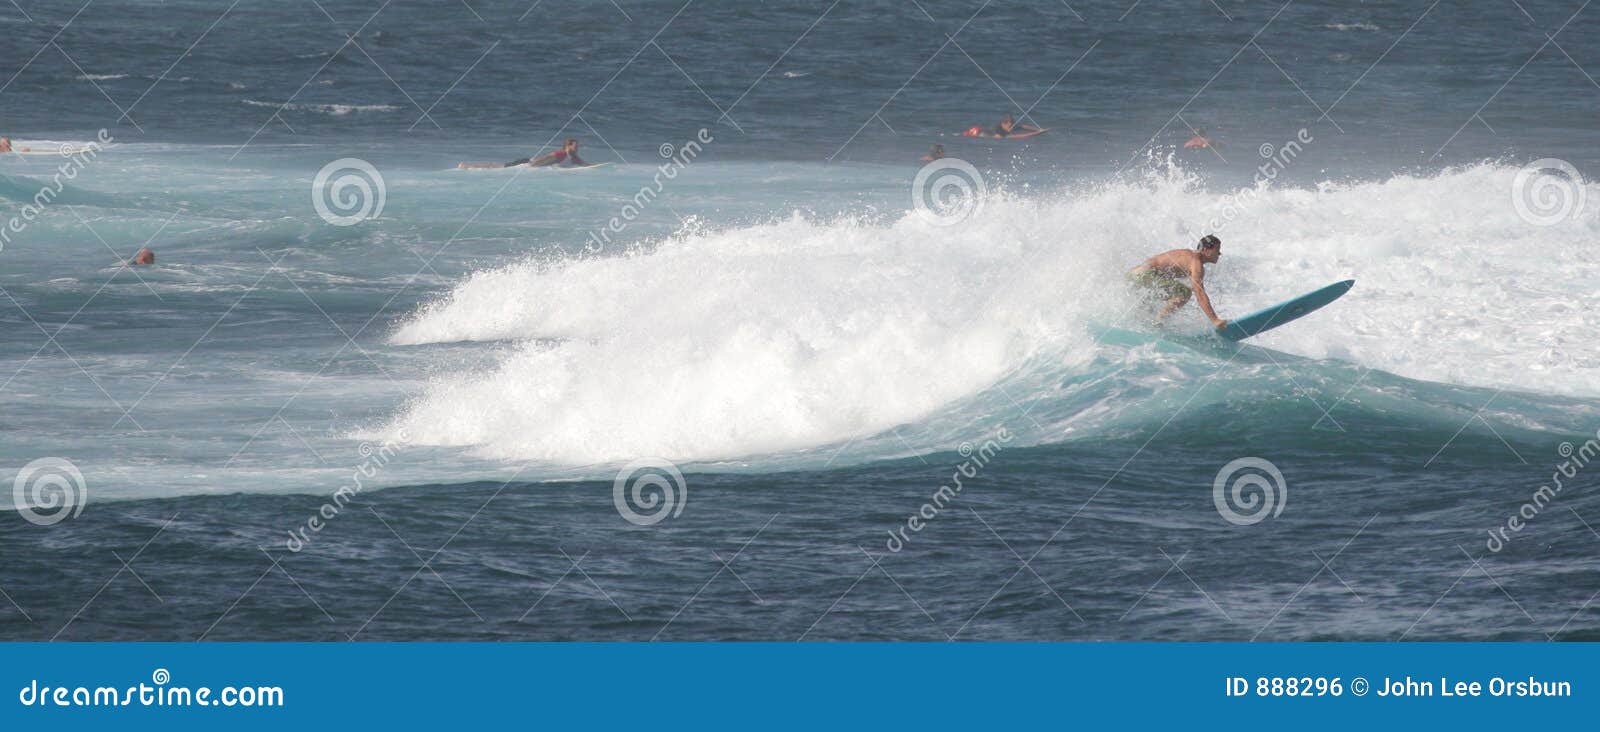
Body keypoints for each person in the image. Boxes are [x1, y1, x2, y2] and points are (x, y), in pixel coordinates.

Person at [1127, 234, 1227, 328]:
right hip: (1145, 274)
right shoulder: (1196, 262)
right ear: (1206, 250)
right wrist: (1215, 320)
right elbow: (1200, 293)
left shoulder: (1188, 256)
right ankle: (1158, 323)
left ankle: (1149, 321)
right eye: (1217, 250)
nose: (1219, 253)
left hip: (1134, 274)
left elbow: (1197, 289)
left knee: (1171, 294)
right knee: (1184, 293)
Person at [459, 138, 590, 169]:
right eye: (575, 147)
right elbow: (547, 156)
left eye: (578, 147)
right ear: (568, 146)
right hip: (527, 162)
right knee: (498, 167)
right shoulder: (561, 153)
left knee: (499, 167)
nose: (577, 149)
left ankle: (468, 165)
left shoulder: (573, 157)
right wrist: (533, 164)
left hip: (531, 163)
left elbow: (584, 163)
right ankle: (467, 166)